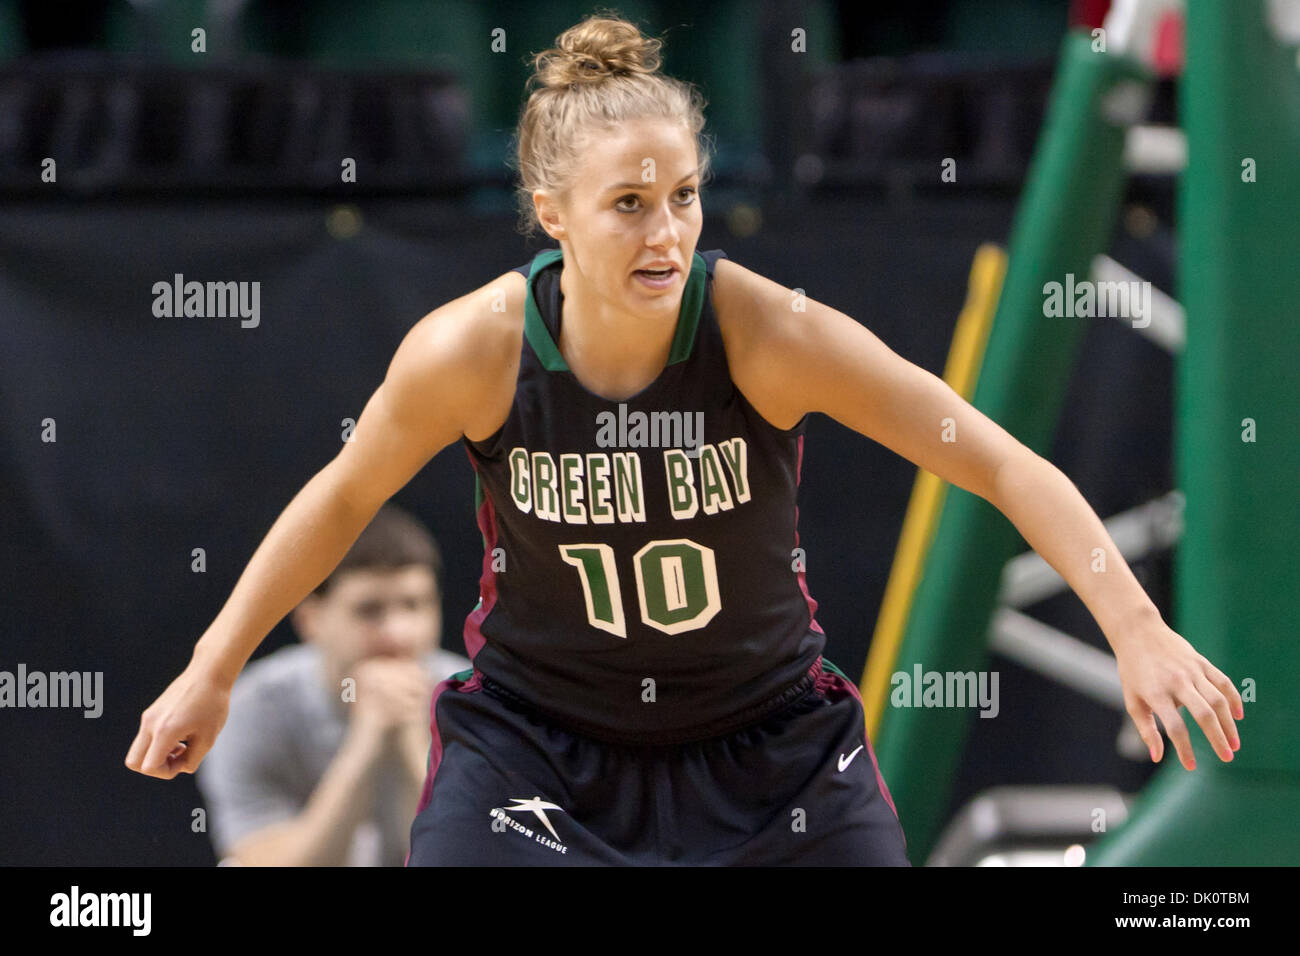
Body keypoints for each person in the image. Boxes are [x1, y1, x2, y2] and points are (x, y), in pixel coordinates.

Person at [127, 15, 1243, 866]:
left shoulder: (765, 331)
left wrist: (1137, 628)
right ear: (550, 210)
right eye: (628, 203)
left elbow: (994, 458)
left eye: (686, 195)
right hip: (539, 746)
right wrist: (208, 669)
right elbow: (338, 497)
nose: (666, 231)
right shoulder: (472, 350)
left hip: (770, 746)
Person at [193, 503, 470, 865]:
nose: (398, 633)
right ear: (311, 619)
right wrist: (365, 742)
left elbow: (465, 857)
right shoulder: (254, 706)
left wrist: (411, 742)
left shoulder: (472, 700)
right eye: (369, 610)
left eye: (414, 605)